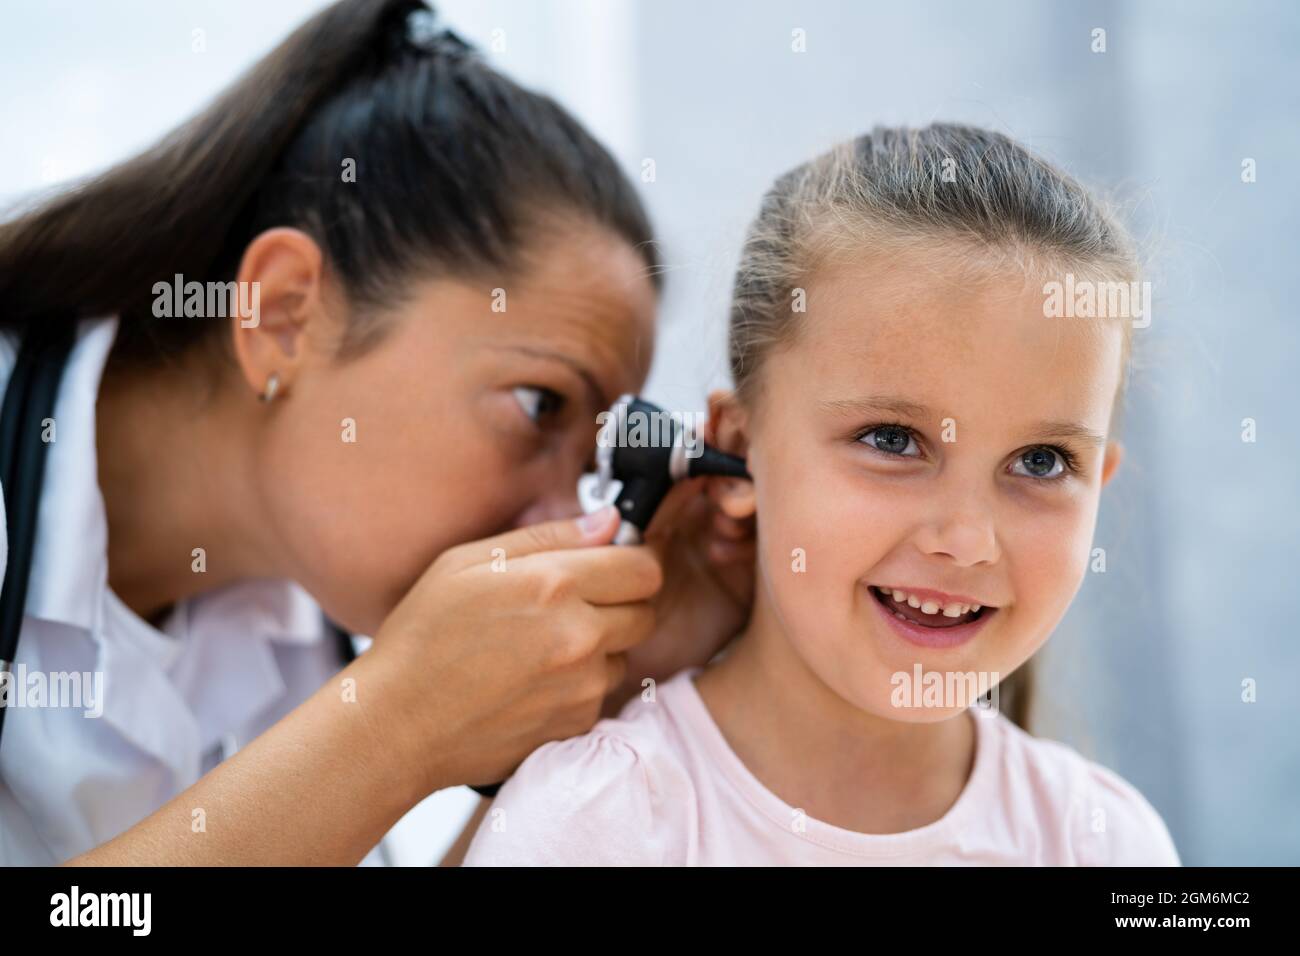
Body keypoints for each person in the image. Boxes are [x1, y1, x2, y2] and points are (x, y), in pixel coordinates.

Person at [0, 0, 754, 865]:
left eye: (590, 465)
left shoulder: (285, 630)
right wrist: (392, 730)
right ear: (282, 314)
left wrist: (610, 693)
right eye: (540, 405)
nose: (559, 518)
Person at [461, 123, 1181, 866]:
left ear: (1098, 483)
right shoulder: (594, 823)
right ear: (738, 452)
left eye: (1039, 460)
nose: (966, 539)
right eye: (892, 440)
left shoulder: (1108, 843)